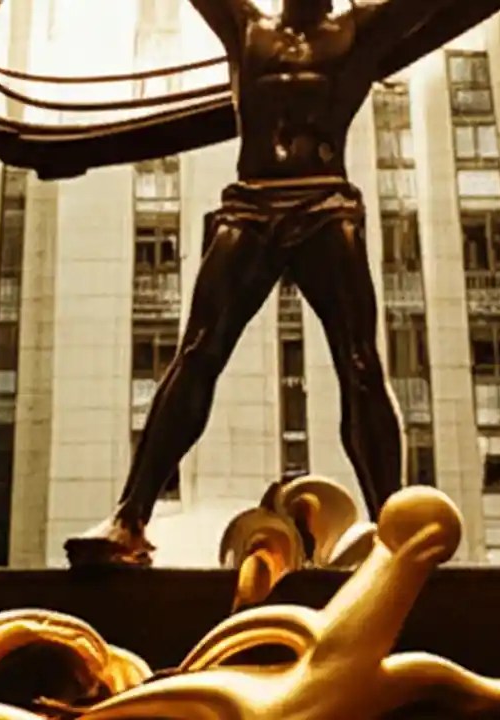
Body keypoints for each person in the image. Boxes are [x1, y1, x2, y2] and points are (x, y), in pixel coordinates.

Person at [67, 0, 455, 566]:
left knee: (361, 362)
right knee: (198, 352)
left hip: (324, 200)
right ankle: (130, 518)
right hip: (251, 204)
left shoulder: (359, 29)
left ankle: (390, 526)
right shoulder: (247, 26)